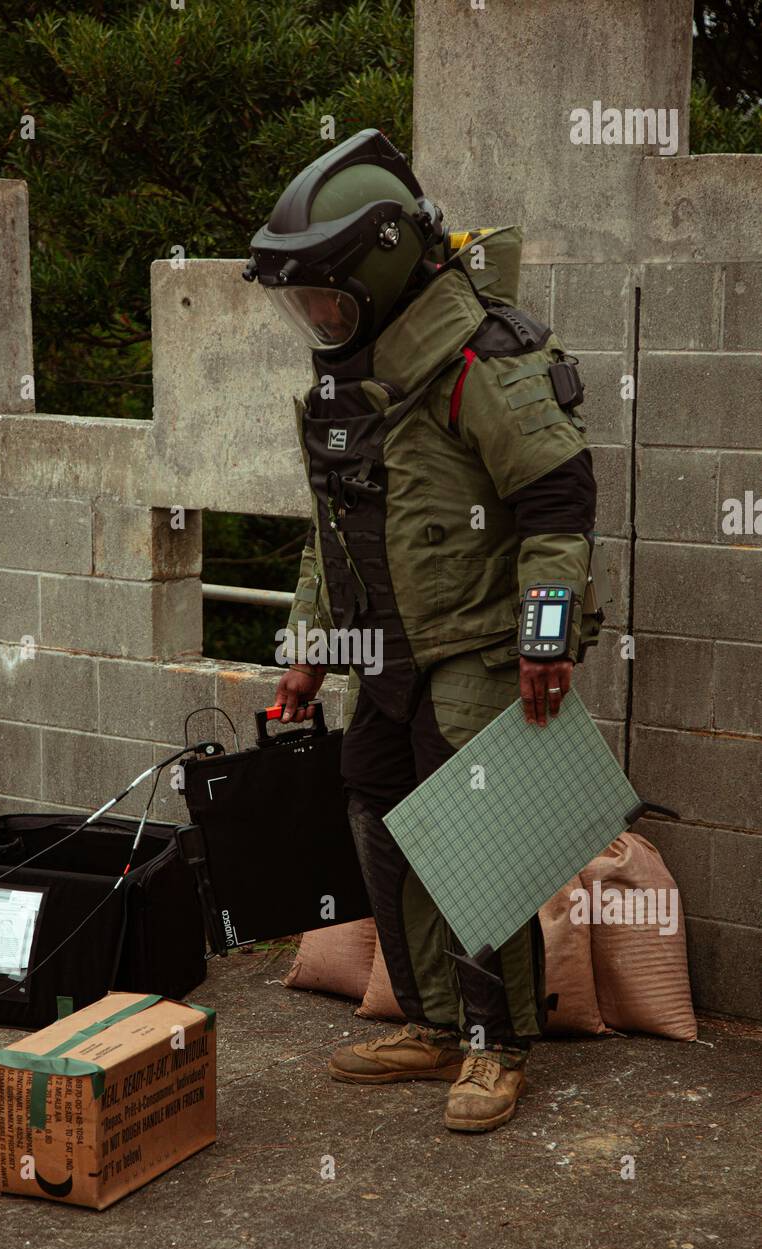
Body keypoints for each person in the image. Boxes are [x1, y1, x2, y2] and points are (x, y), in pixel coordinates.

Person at [243, 128, 600, 1133]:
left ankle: (496, 1046)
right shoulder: (348, 385)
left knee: (476, 841)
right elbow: (329, 531)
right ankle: (434, 1022)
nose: (312, 319)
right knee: (374, 816)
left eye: (323, 296)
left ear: (381, 268)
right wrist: (310, 652)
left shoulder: (482, 358)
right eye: (301, 302)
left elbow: (556, 500)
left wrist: (545, 638)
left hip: (476, 646)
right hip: (382, 651)